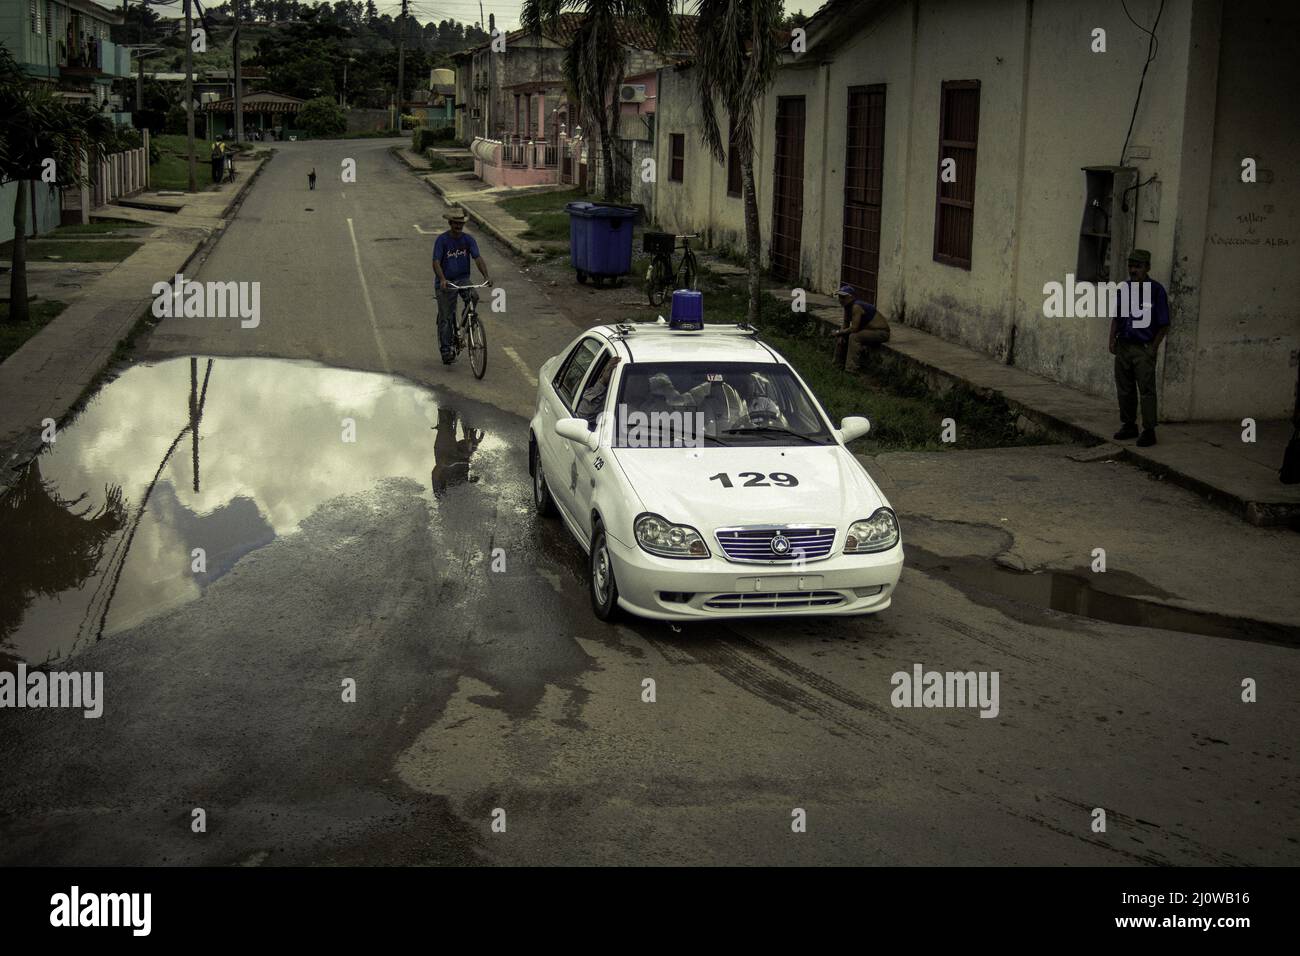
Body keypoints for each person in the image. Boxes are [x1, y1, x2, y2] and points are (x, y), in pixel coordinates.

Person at [1109, 248, 1170, 447]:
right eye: (1131, 266)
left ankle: (1149, 430)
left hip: (1143, 347)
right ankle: (1129, 425)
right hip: (1124, 346)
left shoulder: (1156, 291)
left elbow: (1164, 324)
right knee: (1125, 389)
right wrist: (1111, 340)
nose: (1133, 270)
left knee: (1146, 390)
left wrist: (1153, 348)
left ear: (1147, 268)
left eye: (1138, 266)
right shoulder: (1124, 288)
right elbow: (1116, 317)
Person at [431, 207, 492, 364]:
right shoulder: (442, 240)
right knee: (445, 317)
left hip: (463, 279)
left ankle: (464, 324)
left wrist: (486, 276)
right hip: (446, 282)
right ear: (450, 223)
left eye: (461, 224)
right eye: (455, 223)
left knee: (474, 297)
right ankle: (446, 350)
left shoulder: (468, 240)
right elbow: (436, 262)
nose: (458, 226)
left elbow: (477, 258)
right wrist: (442, 279)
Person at [832, 284, 890, 371]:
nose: (840, 300)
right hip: (868, 330)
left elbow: (854, 328)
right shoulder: (847, 307)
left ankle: (851, 368)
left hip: (881, 332)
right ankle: (837, 364)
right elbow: (845, 324)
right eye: (839, 297)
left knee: (854, 337)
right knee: (843, 335)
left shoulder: (856, 307)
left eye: (843, 297)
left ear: (850, 297)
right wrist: (841, 334)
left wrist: (838, 332)